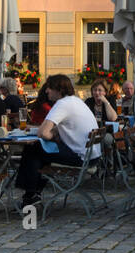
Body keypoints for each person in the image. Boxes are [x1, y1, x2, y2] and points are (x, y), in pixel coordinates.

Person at [16, 75, 100, 207]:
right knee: (42, 150)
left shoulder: (62, 104)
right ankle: (33, 194)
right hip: (93, 156)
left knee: (33, 149)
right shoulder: (76, 101)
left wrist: (49, 135)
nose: (46, 91)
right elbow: (57, 128)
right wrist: (50, 134)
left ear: (59, 90)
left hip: (81, 158)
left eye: (49, 88)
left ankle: (30, 194)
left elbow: (43, 133)